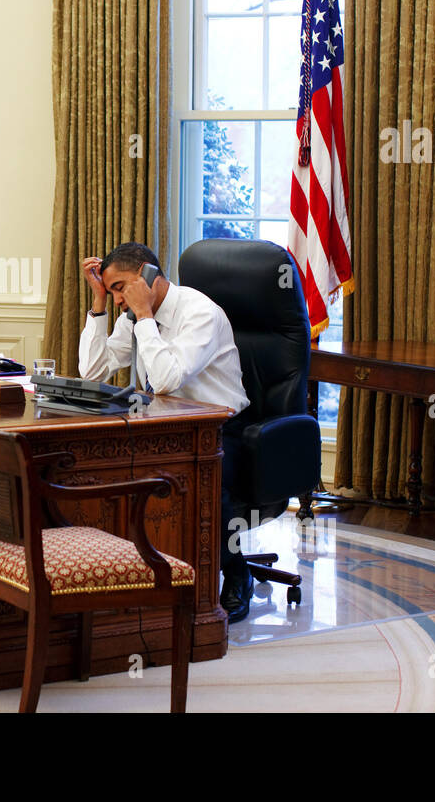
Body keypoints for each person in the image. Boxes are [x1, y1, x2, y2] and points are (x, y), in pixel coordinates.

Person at [77, 241, 256, 622]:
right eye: (113, 292)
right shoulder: (131, 316)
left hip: (222, 428)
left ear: (147, 276)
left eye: (121, 288)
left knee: (206, 490)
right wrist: (98, 305)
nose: (120, 301)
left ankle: (236, 572)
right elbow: (92, 372)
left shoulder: (200, 314)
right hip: (164, 425)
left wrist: (142, 315)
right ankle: (142, 572)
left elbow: (165, 381)